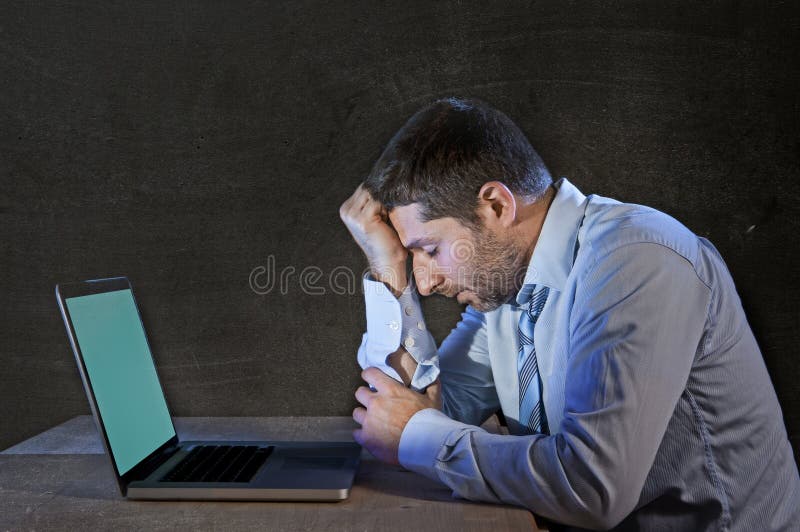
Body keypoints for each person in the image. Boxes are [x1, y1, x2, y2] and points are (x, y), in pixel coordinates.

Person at [339, 97, 800, 530]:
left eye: (430, 250)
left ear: (497, 205)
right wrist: (386, 267)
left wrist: (417, 433)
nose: (424, 282)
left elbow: (593, 488)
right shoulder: (506, 290)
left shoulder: (636, 260)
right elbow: (411, 410)